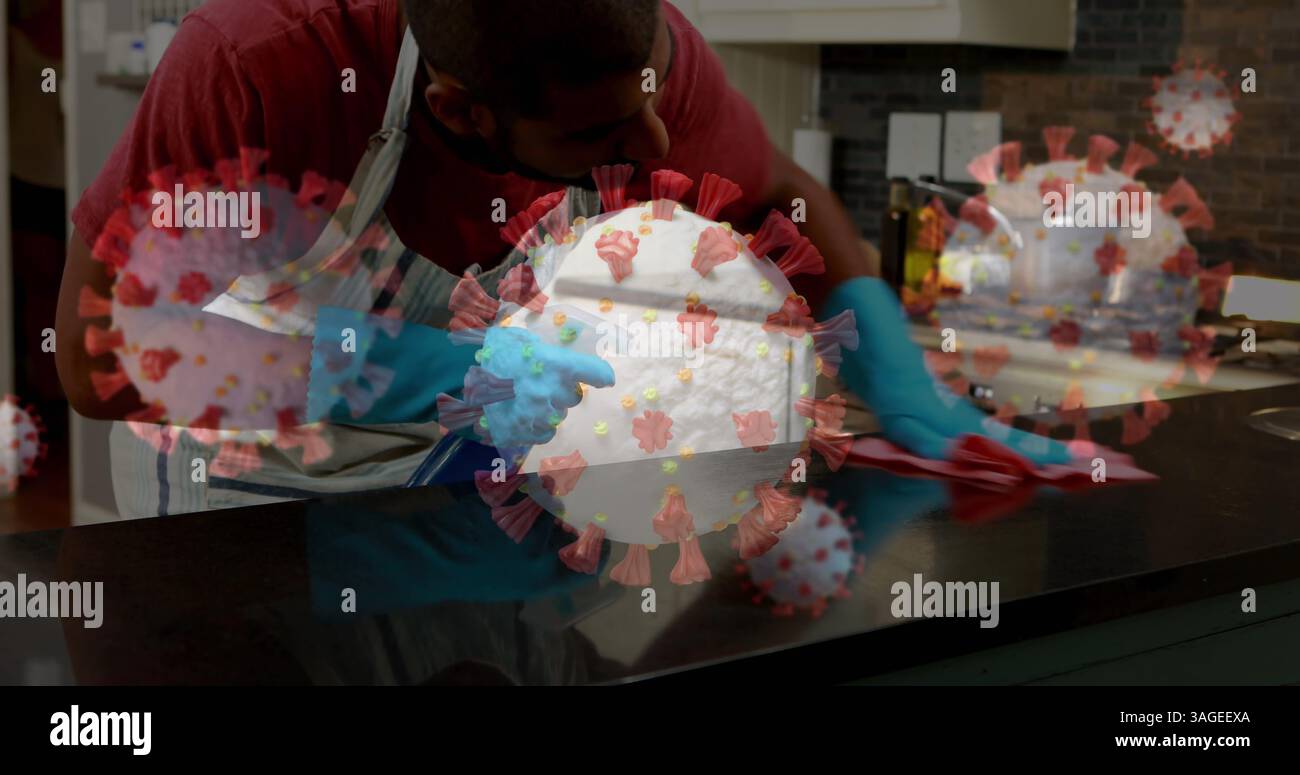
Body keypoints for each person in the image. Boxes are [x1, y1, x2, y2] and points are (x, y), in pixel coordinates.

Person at [54, 0, 1068, 519]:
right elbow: (94, 358)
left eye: (653, 97)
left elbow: (781, 195)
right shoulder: (261, 72)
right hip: (261, 514)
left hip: (477, 502)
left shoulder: (635, 57)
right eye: (599, 136)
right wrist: (412, 371)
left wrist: (893, 367)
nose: (659, 145)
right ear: (459, 109)